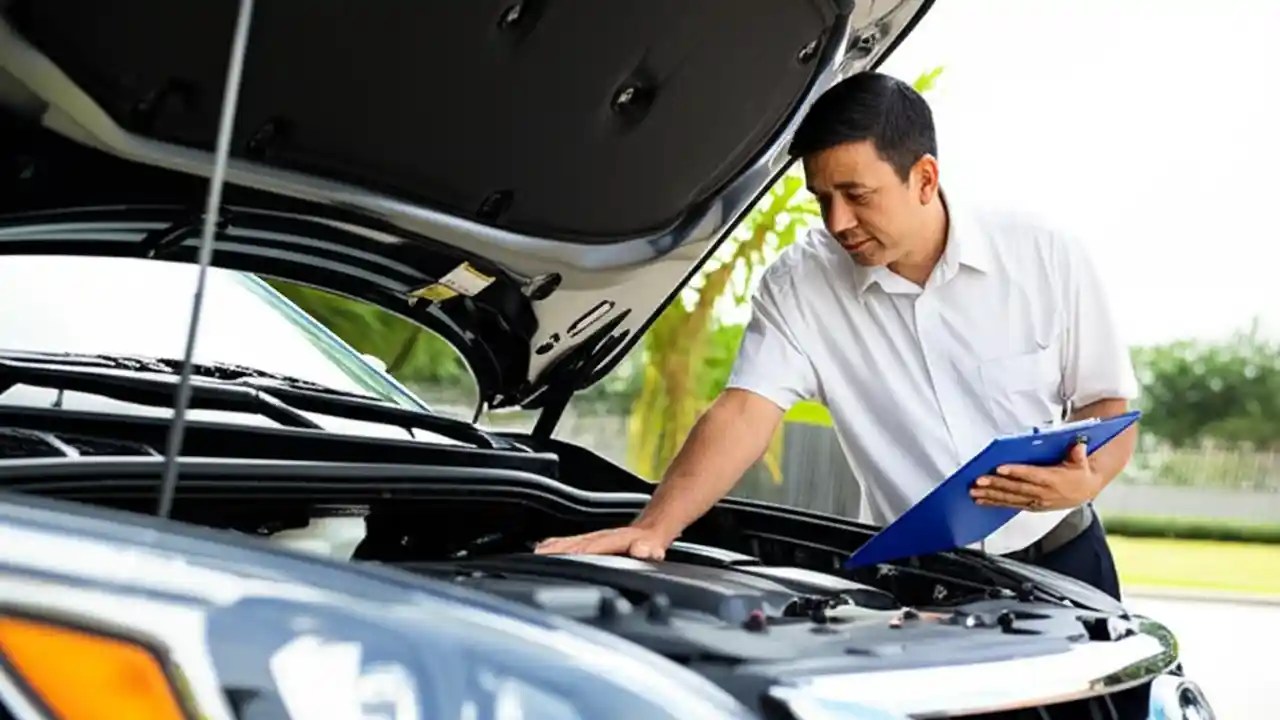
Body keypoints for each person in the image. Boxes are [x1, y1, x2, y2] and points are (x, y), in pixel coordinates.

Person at [534, 71, 1139, 600]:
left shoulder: (1043, 255)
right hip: (923, 586)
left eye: (858, 195)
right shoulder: (800, 284)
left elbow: (1108, 404)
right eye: (822, 198)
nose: (837, 222)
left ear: (924, 178)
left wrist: (1088, 479)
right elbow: (744, 410)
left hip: (1067, 562)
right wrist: (654, 529)